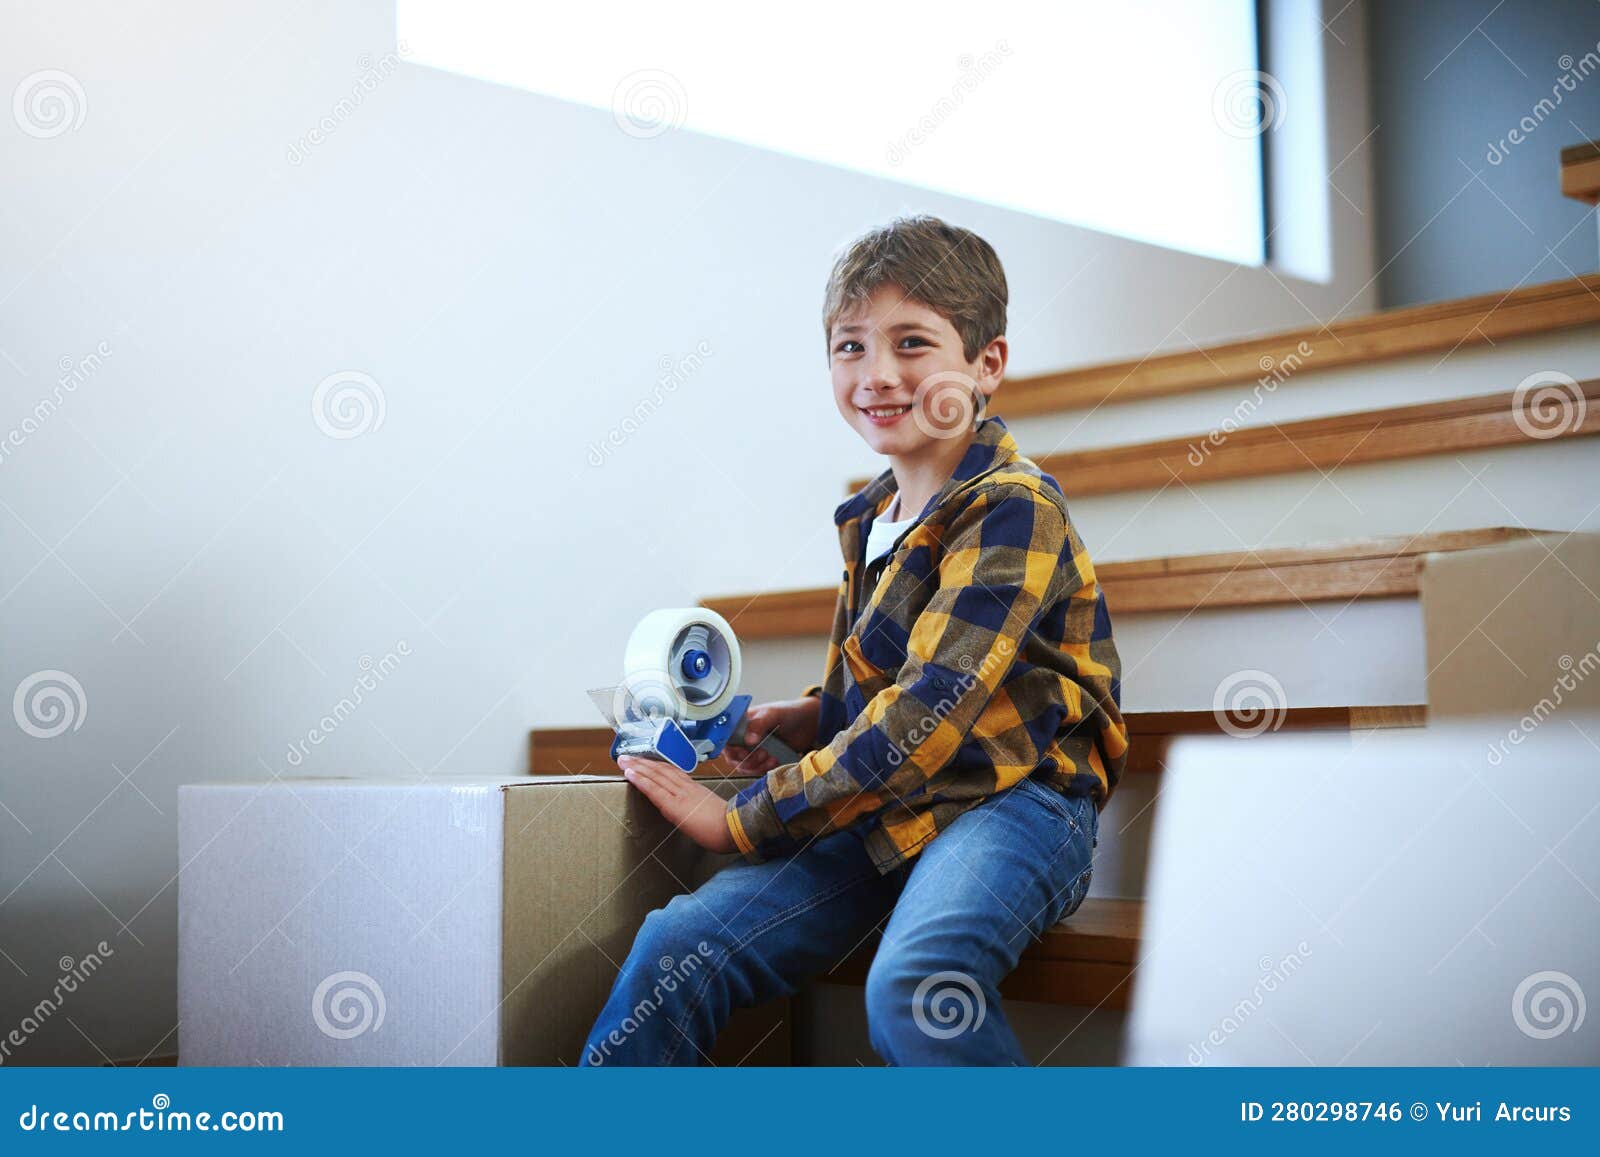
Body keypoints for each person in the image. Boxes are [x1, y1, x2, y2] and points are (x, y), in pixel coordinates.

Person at [583, 215, 1128, 1066]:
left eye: (912, 344)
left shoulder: (1014, 506)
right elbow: (881, 688)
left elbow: (924, 712)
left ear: (987, 364)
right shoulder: (872, 516)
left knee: (918, 989)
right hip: (892, 806)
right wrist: (812, 714)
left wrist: (742, 822)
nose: (876, 374)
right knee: (673, 946)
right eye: (849, 347)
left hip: (1015, 804)